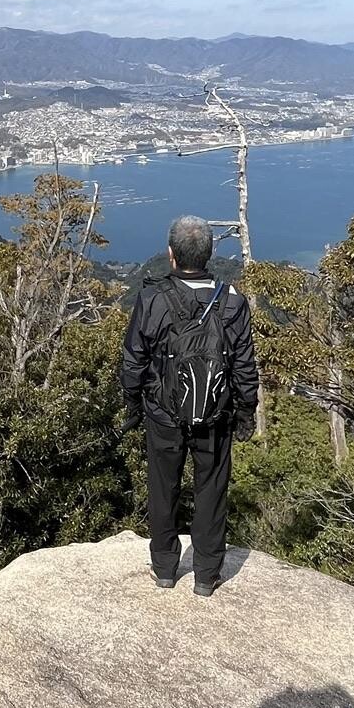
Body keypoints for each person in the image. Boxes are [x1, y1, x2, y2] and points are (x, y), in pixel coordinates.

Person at [120, 215, 260, 597]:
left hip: (163, 414)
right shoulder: (232, 302)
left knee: (162, 488)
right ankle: (206, 575)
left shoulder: (152, 299)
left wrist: (132, 403)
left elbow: (133, 359)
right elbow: (244, 365)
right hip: (215, 416)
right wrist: (246, 412)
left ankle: (165, 568)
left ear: (171, 254)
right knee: (211, 490)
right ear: (210, 252)